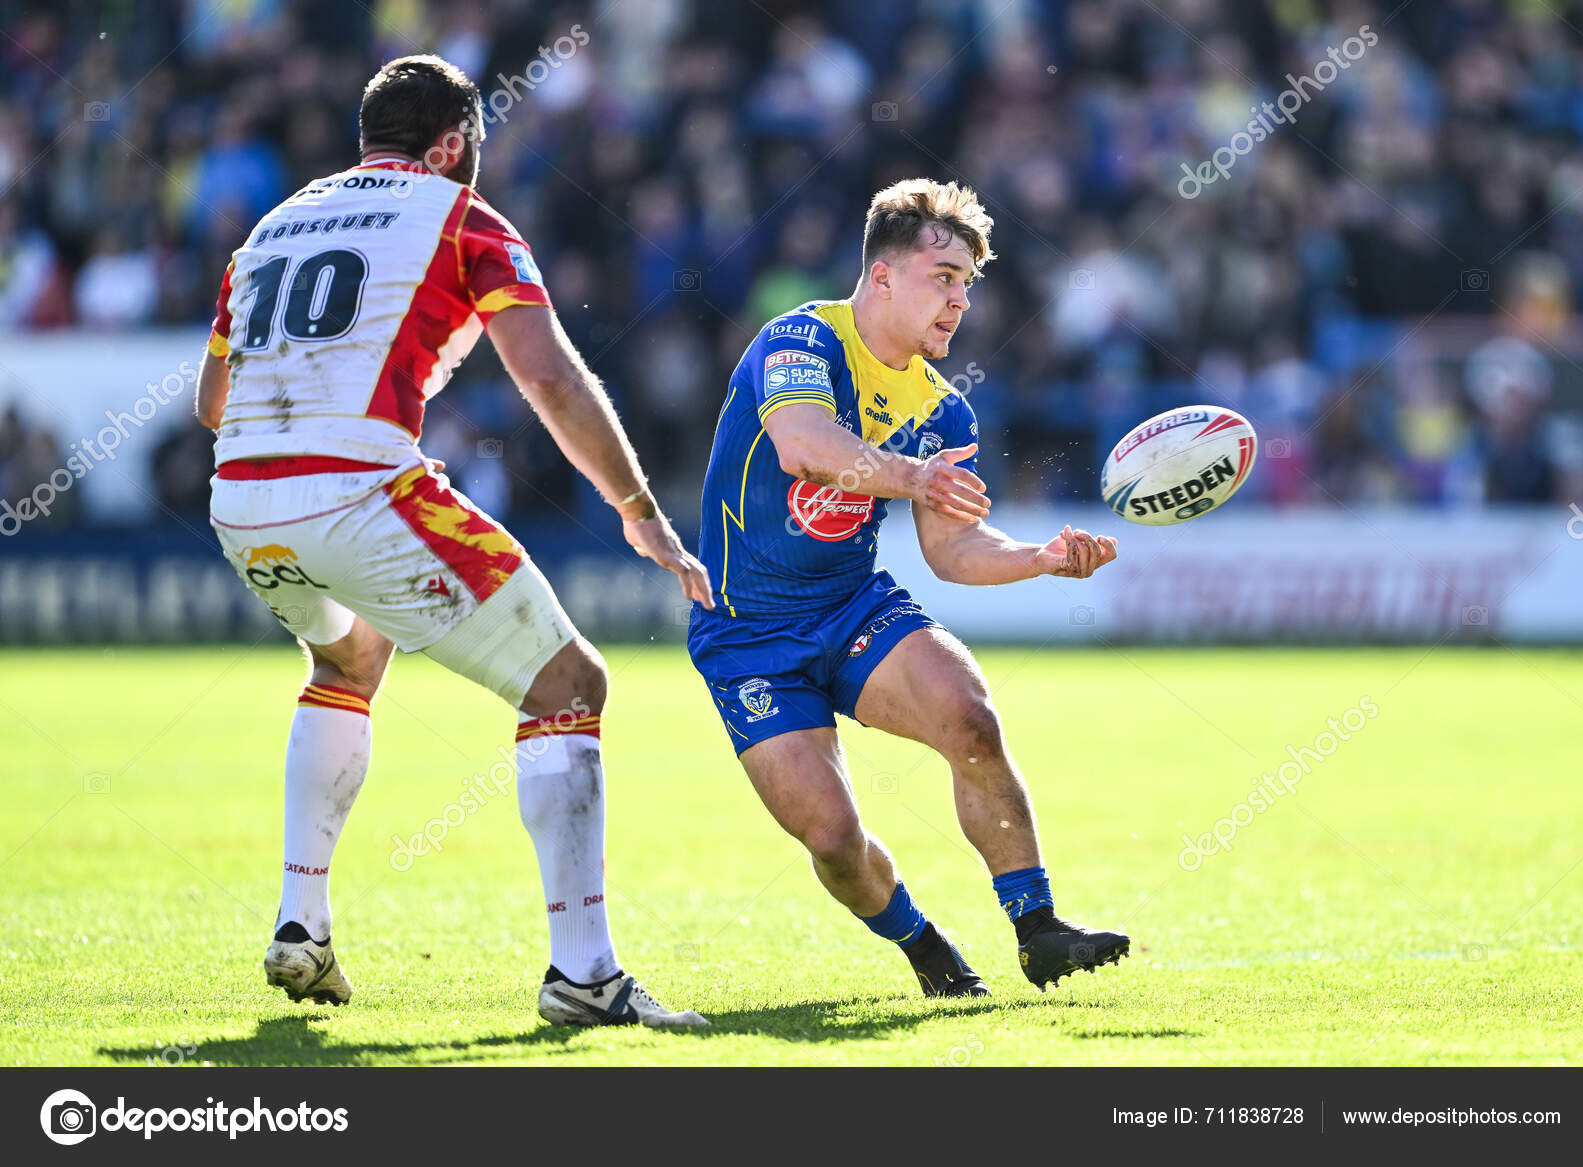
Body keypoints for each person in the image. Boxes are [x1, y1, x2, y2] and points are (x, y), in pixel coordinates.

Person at [196, 55, 712, 1029]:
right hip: (357, 491)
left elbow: (211, 402)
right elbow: (551, 381)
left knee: (347, 657)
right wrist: (638, 505)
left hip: (240, 502)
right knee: (568, 686)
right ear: (451, 144)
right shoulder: (462, 217)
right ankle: (585, 974)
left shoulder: (273, 226)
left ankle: (301, 924)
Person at [688, 178, 1128, 996]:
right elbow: (801, 442)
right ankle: (927, 949)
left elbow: (954, 550)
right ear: (882, 277)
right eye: (944, 277)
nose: (960, 300)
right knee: (832, 839)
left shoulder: (942, 410)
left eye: (967, 283)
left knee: (969, 713)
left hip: (851, 605)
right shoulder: (800, 339)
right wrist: (912, 477)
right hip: (744, 633)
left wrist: (1041, 557)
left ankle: (1040, 930)